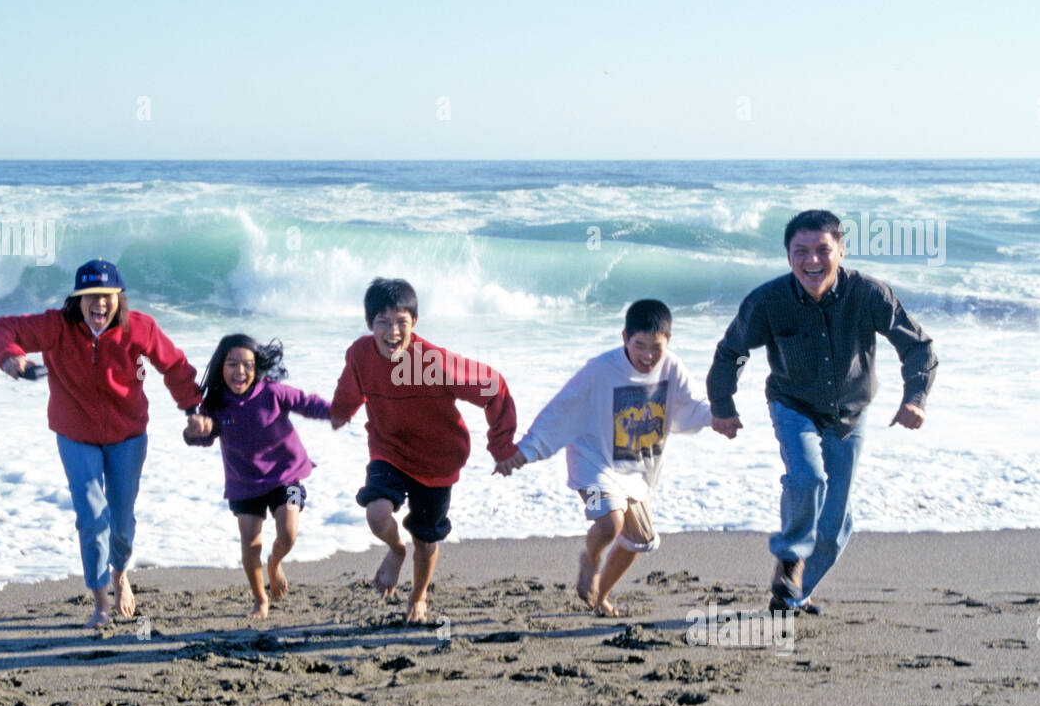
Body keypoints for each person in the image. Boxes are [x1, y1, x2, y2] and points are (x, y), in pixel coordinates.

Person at [706, 209, 938, 614]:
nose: (812, 260)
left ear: (841, 251)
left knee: (834, 525)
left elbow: (916, 345)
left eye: (822, 250)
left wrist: (915, 398)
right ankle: (790, 558)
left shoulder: (868, 294)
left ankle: (794, 595)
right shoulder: (768, 301)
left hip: (850, 411)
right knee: (808, 477)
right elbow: (731, 352)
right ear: (788, 256)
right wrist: (723, 407)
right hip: (793, 405)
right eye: (801, 251)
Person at [0, 259, 204, 628]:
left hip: (128, 435)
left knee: (120, 523)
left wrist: (193, 409)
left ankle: (120, 574)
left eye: (106, 295)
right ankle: (100, 601)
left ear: (119, 297)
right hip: (75, 434)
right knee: (91, 517)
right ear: (77, 299)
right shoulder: (56, 326)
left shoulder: (140, 328)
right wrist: (10, 357)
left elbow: (176, 366)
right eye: (89, 297)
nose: (98, 304)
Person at [495, 299, 717, 615]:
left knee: (639, 539)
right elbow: (561, 408)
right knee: (609, 521)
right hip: (593, 462)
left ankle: (600, 597)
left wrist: (717, 418)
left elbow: (694, 404)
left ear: (669, 340)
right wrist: (526, 451)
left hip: (636, 470)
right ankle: (591, 559)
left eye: (656, 347)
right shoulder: (600, 369)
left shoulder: (672, 368)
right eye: (639, 345)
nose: (647, 356)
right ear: (624, 337)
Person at [330, 277, 519, 624]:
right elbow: (352, 384)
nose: (392, 331)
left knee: (426, 539)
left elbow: (494, 387)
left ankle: (418, 596)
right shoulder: (360, 352)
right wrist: (342, 411)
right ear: (369, 324)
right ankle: (394, 550)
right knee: (376, 513)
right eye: (382, 322)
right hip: (388, 449)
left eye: (401, 321)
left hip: (437, 459)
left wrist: (502, 445)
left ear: (414, 323)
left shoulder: (434, 363)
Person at [183, 334, 331, 620]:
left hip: (289, 478)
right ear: (220, 367)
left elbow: (306, 402)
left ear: (257, 367)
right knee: (251, 544)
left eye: (248, 365)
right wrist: (194, 430)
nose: (240, 372)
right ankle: (260, 600)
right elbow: (201, 437)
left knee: (288, 533)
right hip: (244, 486)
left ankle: (275, 563)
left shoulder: (272, 392)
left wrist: (336, 411)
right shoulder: (216, 404)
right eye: (232, 364)